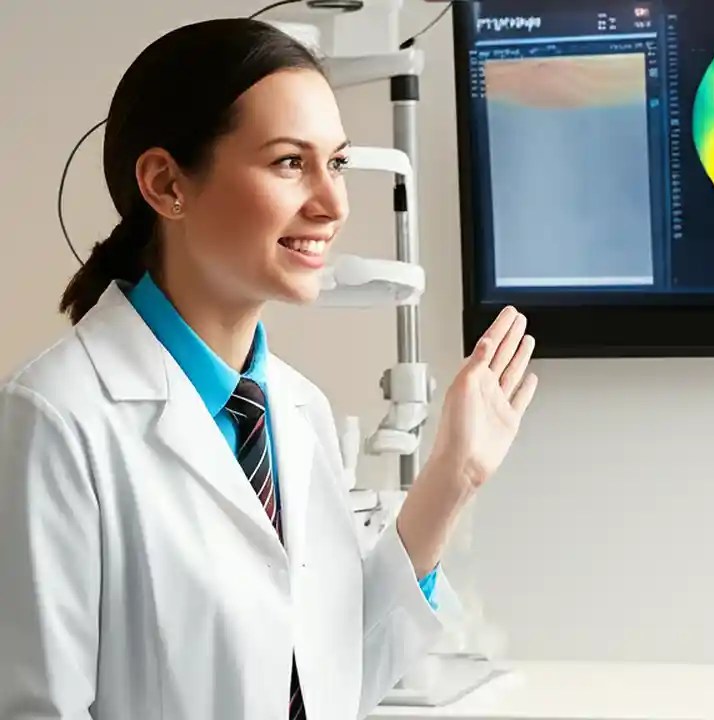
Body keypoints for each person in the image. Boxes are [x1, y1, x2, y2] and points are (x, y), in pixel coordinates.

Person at [0, 18, 538, 720]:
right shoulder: (57, 419)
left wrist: (453, 477)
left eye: (337, 163)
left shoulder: (297, 410)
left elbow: (336, 680)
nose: (333, 203)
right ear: (167, 184)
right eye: (291, 162)